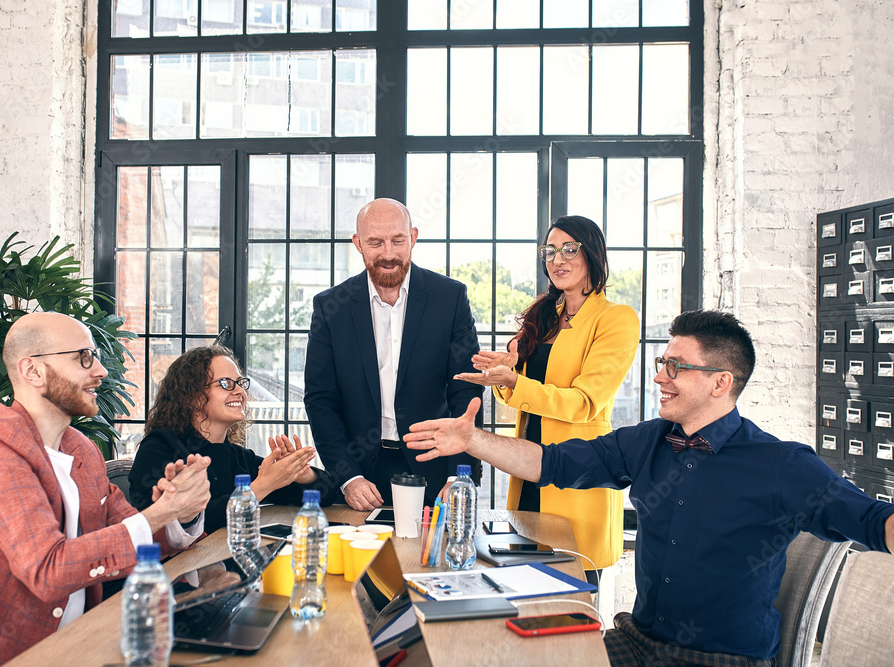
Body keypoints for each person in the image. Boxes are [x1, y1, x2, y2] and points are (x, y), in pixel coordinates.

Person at [405, 310, 894, 666]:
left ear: (721, 382)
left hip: (720, 660)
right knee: (520, 658)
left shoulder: (781, 464)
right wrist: (473, 440)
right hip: (639, 642)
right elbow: (552, 462)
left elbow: (874, 522)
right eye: (662, 362)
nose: (659, 376)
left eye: (676, 366)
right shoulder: (649, 440)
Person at [0, 312, 212, 666]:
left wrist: (182, 508)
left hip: (74, 649)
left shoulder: (81, 450)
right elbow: (47, 569)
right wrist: (163, 512)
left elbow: (132, 533)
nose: (101, 371)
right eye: (83, 357)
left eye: (96, 356)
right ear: (33, 371)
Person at [454, 215, 638, 583]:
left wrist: (516, 382)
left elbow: (584, 403)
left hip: (576, 474)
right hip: (528, 467)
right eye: (550, 251)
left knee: (570, 596)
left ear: (593, 254)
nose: (558, 260)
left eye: (570, 249)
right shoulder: (545, 315)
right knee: (522, 591)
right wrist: (506, 373)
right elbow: (523, 389)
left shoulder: (616, 318)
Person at [304, 197, 483, 511]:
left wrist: (459, 475)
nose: (388, 254)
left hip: (436, 470)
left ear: (413, 237)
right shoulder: (330, 307)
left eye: (398, 241)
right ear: (358, 244)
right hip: (361, 476)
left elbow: (465, 389)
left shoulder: (450, 298)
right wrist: (348, 477)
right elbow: (321, 400)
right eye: (375, 243)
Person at [129, 345, 336, 532]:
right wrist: (262, 486)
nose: (240, 391)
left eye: (240, 383)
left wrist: (301, 473)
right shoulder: (159, 447)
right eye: (226, 383)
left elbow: (326, 495)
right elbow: (185, 525)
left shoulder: (239, 457)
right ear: (192, 396)